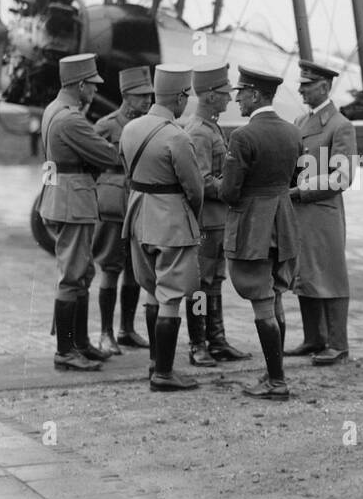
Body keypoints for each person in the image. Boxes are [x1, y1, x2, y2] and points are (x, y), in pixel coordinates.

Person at [219, 65, 303, 400]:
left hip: (252, 226)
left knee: (262, 303)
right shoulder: (293, 132)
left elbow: (229, 192)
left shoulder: (242, 137)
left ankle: (277, 382)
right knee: (276, 296)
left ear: (255, 95)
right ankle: (273, 374)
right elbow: (294, 179)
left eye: (241, 94)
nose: (237, 100)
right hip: (282, 223)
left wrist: (213, 183)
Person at [119, 64, 205, 392]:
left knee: (152, 291)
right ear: (180, 97)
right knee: (171, 295)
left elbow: (128, 170)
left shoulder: (130, 129)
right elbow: (194, 188)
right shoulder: (177, 136)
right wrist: (192, 218)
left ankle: (156, 362)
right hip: (170, 220)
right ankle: (165, 374)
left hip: (139, 214)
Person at [40, 53, 121, 372]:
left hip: (62, 196)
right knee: (73, 275)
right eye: (92, 85)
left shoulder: (53, 110)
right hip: (73, 202)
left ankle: (80, 343)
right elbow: (108, 154)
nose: (95, 91)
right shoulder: (71, 119)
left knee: (82, 273)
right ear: (80, 84)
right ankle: (66, 351)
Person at [285, 59, 357, 365]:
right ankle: (313, 339)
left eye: (307, 85)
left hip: (321, 211)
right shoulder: (301, 123)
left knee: (331, 275)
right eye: (301, 84)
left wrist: (301, 190)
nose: (301, 90)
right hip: (300, 211)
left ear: (324, 87)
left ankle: (338, 344)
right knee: (305, 275)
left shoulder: (340, 126)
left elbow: (342, 177)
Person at [182, 64, 251, 366]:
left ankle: (217, 339)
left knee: (214, 280)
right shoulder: (199, 131)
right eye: (224, 94)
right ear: (210, 96)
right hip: (205, 221)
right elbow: (201, 180)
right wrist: (233, 187)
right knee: (200, 283)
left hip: (216, 219)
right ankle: (198, 345)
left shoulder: (210, 127)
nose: (230, 99)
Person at [92, 65, 155, 355]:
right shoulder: (106, 126)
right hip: (113, 207)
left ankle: (127, 329)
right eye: (142, 95)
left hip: (139, 206)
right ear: (126, 96)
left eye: (150, 95)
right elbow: (89, 163)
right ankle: (105, 333)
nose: (147, 100)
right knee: (110, 268)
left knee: (135, 270)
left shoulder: (148, 125)